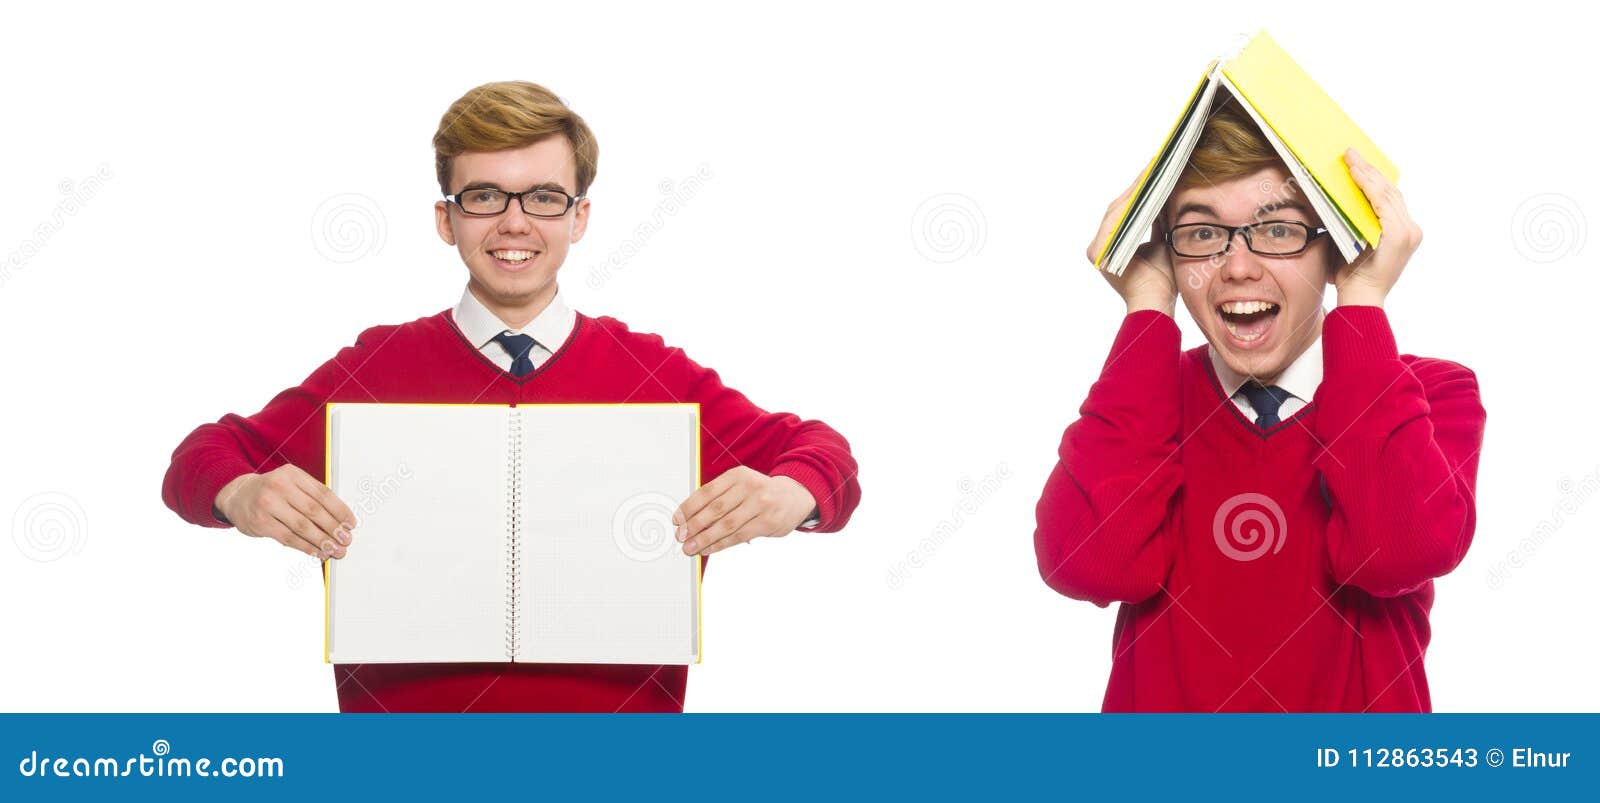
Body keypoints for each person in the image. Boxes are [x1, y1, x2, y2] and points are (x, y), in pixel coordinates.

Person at [161, 81, 862, 712]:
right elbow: (199, 458)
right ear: (447, 219)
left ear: (579, 216)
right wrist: (242, 495)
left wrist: (788, 496)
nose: (515, 222)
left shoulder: (656, 374)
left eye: (544, 198)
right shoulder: (374, 369)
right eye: (485, 196)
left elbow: (825, 456)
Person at [1033, 98, 1485, 712]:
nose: (1236, 267)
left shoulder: (1433, 393)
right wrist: (1146, 307)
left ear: (1337, 249)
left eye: (1279, 230)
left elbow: (1395, 552)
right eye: (1202, 233)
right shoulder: (1144, 396)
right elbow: (1092, 566)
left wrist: (1362, 300)